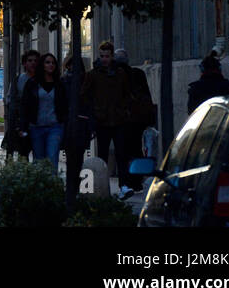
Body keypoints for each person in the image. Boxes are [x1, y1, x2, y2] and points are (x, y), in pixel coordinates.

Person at [80, 41, 133, 198]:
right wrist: (94, 112)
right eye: (102, 56)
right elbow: (84, 95)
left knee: (121, 154)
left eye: (107, 56)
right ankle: (103, 187)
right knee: (102, 154)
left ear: (112, 56)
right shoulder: (93, 74)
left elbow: (127, 93)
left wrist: (125, 110)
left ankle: (123, 185)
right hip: (102, 120)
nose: (104, 59)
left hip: (118, 119)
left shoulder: (120, 73)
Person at [117, 48, 154, 190]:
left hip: (124, 118)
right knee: (136, 149)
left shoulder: (118, 75)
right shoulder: (138, 74)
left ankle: (129, 180)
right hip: (136, 119)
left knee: (125, 151)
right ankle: (136, 179)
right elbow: (146, 97)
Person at [21, 53, 67, 163]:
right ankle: (41, 180)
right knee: (38, 159)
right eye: (47, 62)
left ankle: (52, 180)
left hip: (55, 127)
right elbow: (25, 105)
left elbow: (65, 105)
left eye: (53, 63)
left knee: (52, 156)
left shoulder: (60, 84)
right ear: (42, 65)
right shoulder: (32, 83)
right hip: (36, 127)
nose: (50, 65)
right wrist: (23, 126)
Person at [6, 50, 39, 158]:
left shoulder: (43, 79)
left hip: (40, 121)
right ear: (24, 63)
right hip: (23, 122)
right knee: (23, 153)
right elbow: (10, 100)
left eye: (35, 60)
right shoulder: (19, 80)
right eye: (30, 60)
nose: (33, 63)